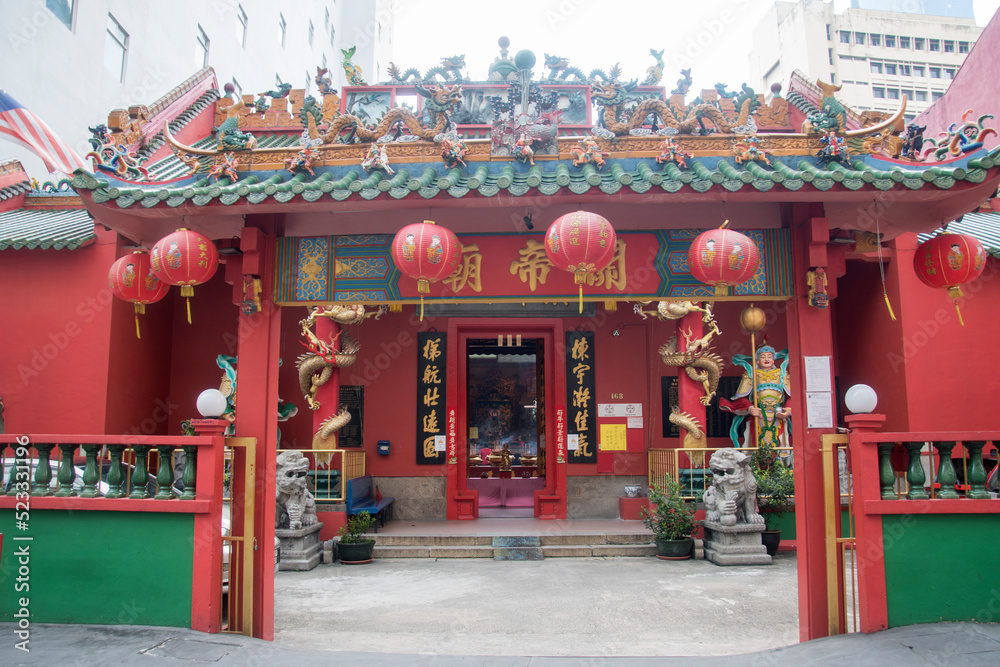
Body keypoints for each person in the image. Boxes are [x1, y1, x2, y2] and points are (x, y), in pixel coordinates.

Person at [719, 344, 791, 449]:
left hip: (777, 415)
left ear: (774, 360)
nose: (766, 359)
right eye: (763, 357)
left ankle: (780, 463)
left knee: (779, 445)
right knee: (756, 444)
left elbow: (791, 398)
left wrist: (787, 411)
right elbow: (740, 398)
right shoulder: (751, 374)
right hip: (758, 415)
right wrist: (750, 408)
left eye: (769, 356)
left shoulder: (782, 374)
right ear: (757, 360)